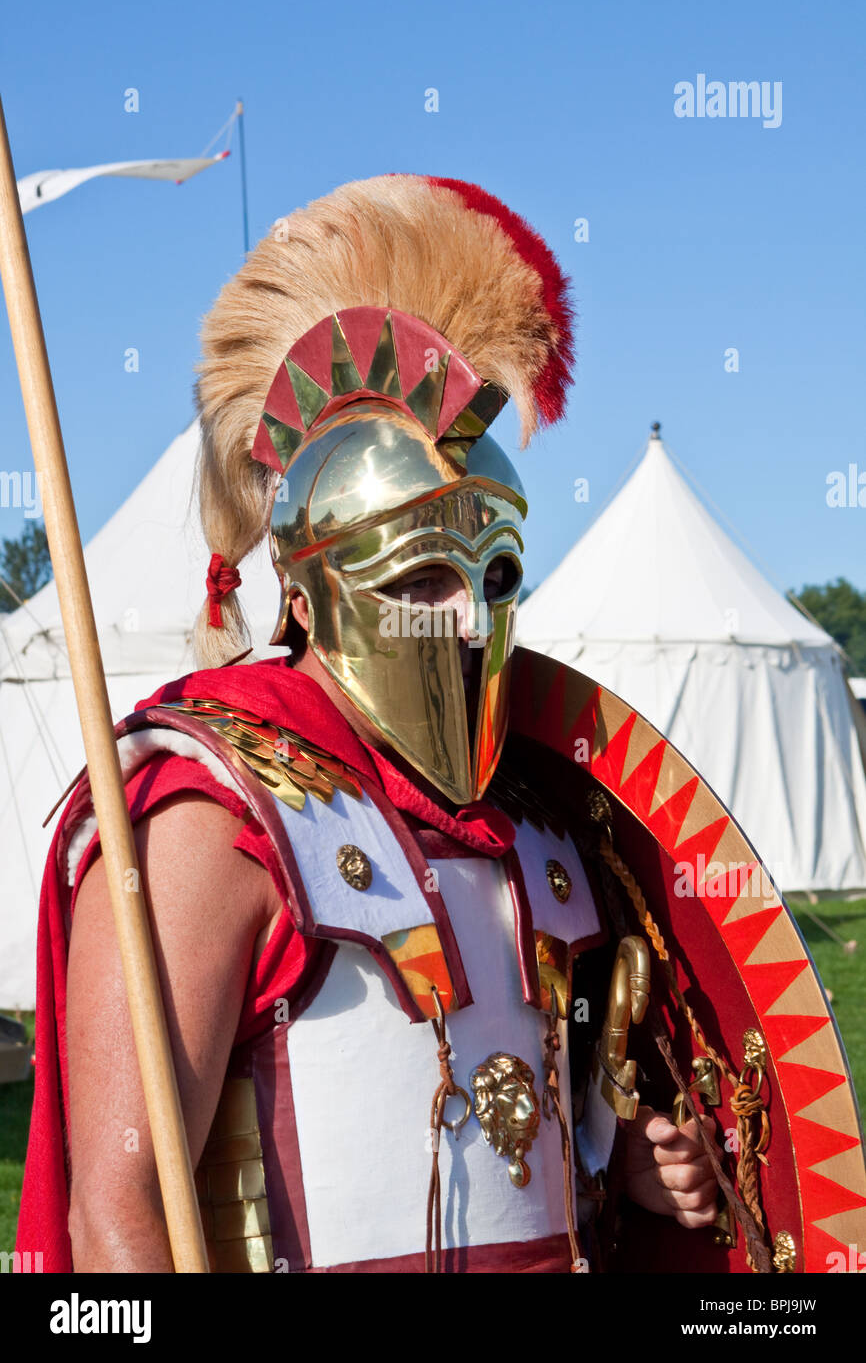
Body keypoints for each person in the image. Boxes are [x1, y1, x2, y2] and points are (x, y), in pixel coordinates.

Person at [18, 174, 718, 1274]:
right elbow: (121, 1221)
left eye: (493, 577)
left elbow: (533, 1160)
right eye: (423, 576)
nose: (467, 623)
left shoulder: (535, 823)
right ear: (307, 592)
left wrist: (617, 1164)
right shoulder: (214, 813)